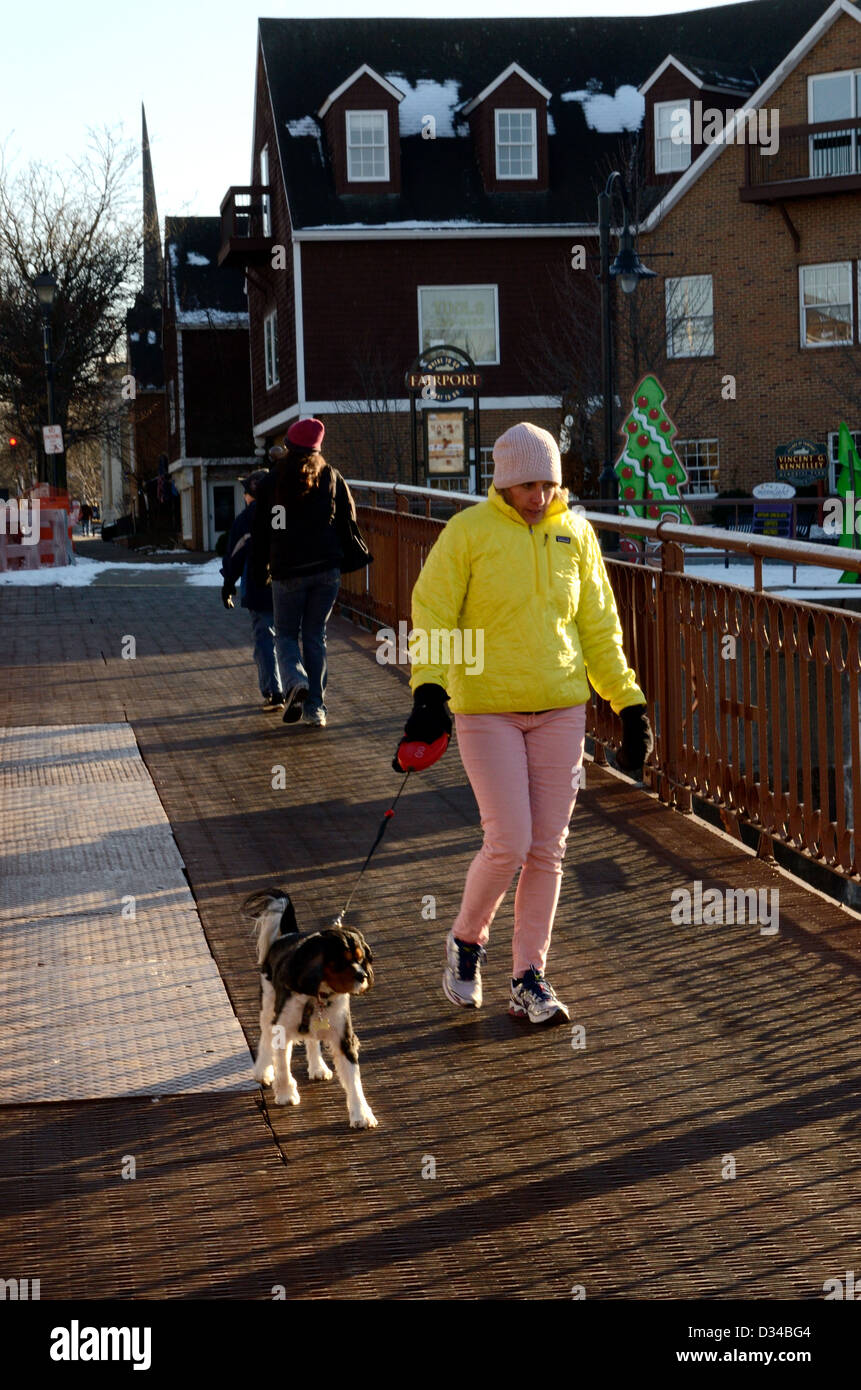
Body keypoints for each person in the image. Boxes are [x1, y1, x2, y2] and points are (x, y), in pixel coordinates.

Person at [393, 422, 653, 1026]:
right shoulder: (468, 533)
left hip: (560, 707)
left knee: (547, 850)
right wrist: (429, 691)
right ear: (504, 484)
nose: (539, 496)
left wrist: (628, 703)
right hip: (486, 706)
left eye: (548, 484)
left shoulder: (577, 535)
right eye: (527, 485)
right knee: (509, 838)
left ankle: (528, 977)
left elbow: (598, 626)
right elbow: (432, 612)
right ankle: (465, 942)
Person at [249, 417, 359, 728]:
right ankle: (316, 709)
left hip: (288, 571)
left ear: (289, 448)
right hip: (326, 571)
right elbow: (348, 518)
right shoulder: (330, 477)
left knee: (285, 634)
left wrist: (260, 572)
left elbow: (264, 531)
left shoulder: (273, 482)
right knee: (315, 636)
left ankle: (296, 681)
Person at [221, 469, 285, 711]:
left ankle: (273, 691)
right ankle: (300, 687)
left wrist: (228, 585)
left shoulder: (246, 519)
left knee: (265, 638)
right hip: (290, 583)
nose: (244, 497)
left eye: (246, 492)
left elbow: (235, 556)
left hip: (260, 586)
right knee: (291, 637)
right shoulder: (285, 510)